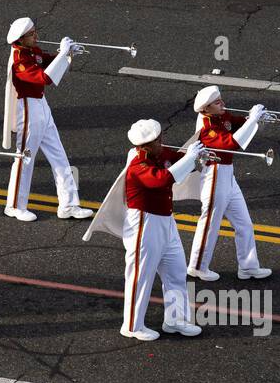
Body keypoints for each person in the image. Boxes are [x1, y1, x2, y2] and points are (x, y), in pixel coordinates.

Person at [83, 119, 205, 341]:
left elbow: (176, 159)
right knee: (140, 277)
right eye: (158, 140)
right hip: (144, 225)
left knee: (176, 272)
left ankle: (175, 320)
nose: (162, 142)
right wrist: (190, 159)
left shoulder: (157, 154)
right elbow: (163, 180)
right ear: (146, 145)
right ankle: (131, 325)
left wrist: (196, 156)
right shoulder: (138, 167)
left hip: (166, 222)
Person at [1, 18, 91, 221]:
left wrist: (67, 55)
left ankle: (68, 204)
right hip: (28, 108)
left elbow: (49, 62)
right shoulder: (19, 60)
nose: (37, 36)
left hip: (42, 105)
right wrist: (62, 54)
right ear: (21, 39)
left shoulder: (33, 52)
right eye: (32, 34)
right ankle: (14, 205)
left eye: (35, 31)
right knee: (25, 157)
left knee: (59, 155)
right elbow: (44, 78)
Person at [184, 88, 271, 281]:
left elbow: (241, 125)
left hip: (228, 175)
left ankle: (248, 267)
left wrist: (256, 118)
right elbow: (232, 143)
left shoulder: (220, 116)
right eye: (217, 103)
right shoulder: (207, 127)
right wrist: (253, 120)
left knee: (244, 224)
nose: (223, 104)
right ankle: (197, 266)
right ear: (206, 109)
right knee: (210, 223)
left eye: (221, 100)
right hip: (215, 175)